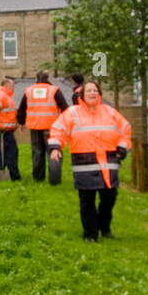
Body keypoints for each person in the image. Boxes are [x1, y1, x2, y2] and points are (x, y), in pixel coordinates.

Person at [49, 81, 131, 241]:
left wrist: (122, 147)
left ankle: (105, 228)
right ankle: (90, 234)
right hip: (84, 164)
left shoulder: (110, 112)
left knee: (109, 199)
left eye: (95, 90)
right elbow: (59, 130)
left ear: (99, 93)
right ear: (82, 95)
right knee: (87, 201)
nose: (92, 93)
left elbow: (125, 129)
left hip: (108, 164)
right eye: (89, 91)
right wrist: (55, 148)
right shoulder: (72, 113)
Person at [17, 71, 68, 183]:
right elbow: (65, 108)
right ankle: (54, 179)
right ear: (47, 78)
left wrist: (21, 122)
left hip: (35, 127)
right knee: (53, 151)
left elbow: (22, 108)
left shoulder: (29, 91)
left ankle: (38, 178)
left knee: (37, 152)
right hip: (52, 127)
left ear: (36, 78)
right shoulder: (54, 90)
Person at [0, 75, 21, 180]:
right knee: (9, 153)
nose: (13, 87)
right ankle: (12, 175)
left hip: (6, 130)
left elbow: (9, 114)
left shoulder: (6, 96)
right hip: (3, 131)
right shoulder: (2, 96)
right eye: (12, 85)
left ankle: (0, 175)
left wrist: (15, 125)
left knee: (2, 153)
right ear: (6, 85)